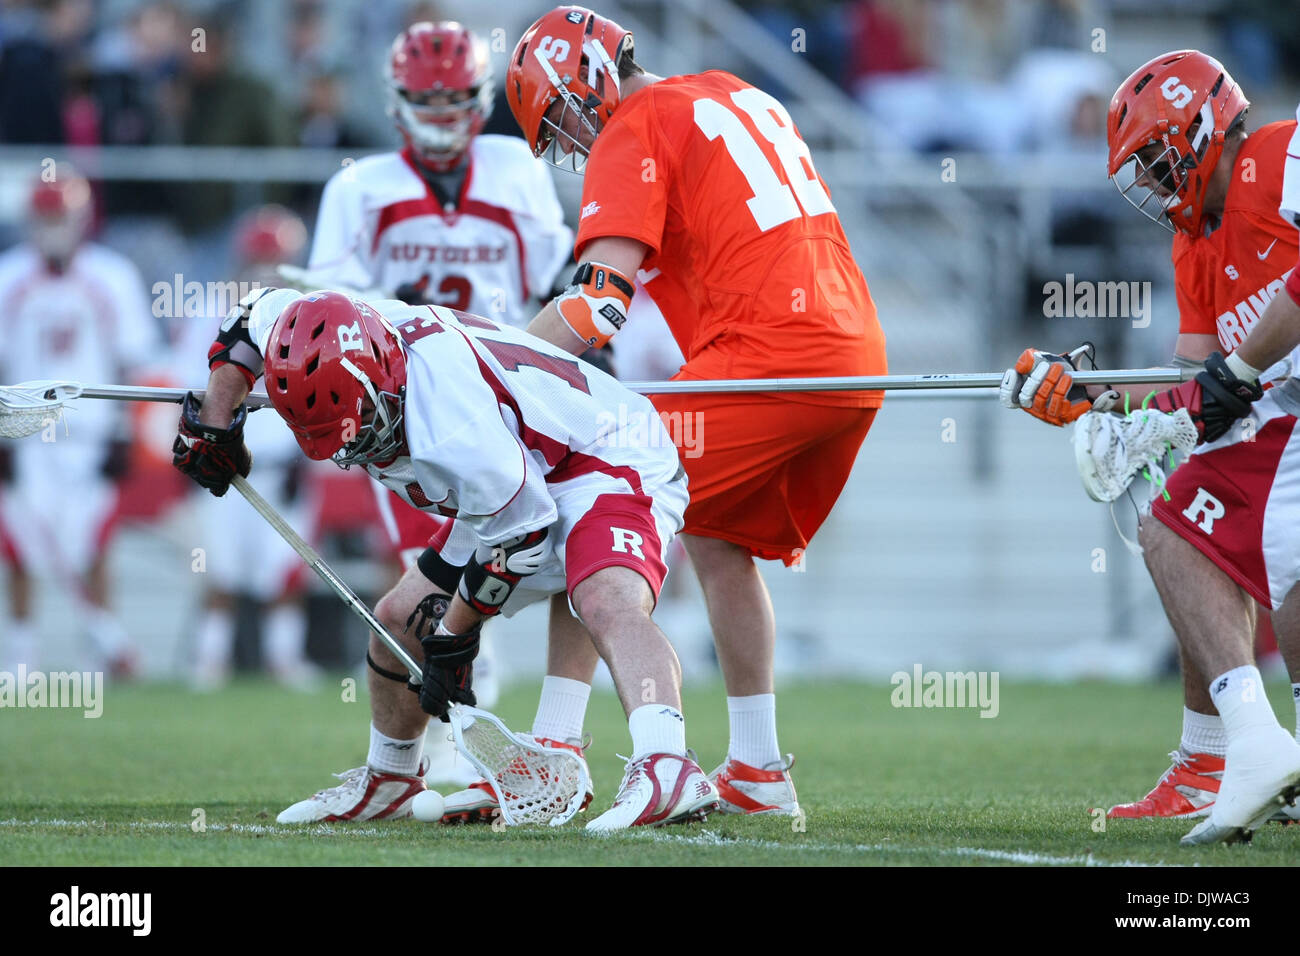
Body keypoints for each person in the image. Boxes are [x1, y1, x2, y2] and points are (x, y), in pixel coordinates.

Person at [503, 6, 888, 815]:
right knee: (717, 541)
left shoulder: (632, 126)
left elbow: (599, 306)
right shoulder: (733, 90)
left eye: (565, 115)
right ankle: (757, 768)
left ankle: (555, 749)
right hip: (853, 351)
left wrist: (494, 364)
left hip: (770, 351)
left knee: (593, 493)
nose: (573, 143)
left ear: (591, 79)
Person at [172, 287, 720, 831]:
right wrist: (216, 419)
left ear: (382, 378)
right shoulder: (323, 331)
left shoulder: (449, 424)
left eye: (360, 423)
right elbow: (251, 315)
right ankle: (391, 780)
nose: (353, 448)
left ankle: (666, 763)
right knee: (397, 620)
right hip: (525, 459)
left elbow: (522, 539)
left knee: (604, 596)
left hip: (605, 452)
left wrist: (454, 637)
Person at [999, 51, 1300, 840]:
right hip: (1285, 420)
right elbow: (1194, 385)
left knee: (1199, 526)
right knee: (1186, 515)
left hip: (1288, 414)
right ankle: (1234, 754)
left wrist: (1237, 370)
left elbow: (1230, 373)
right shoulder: (1195, 239)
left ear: (1207, 128)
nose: (1157, 184)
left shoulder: (1280, 156)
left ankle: (1249, 749)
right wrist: (1090, 397)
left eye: (1160, 159)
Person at [300, 21, 600, 801]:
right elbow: (333, 312)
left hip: (503, 402)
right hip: (404, 419)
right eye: (424, 103)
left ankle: (454, 752)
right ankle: (448, 752)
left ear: (478, 101)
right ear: (397, 104)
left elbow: (550, 287)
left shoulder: (514, 171)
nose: (440, 118)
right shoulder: (359, 187)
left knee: (485, 566)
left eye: (455, 101)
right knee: (429, 580)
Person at [0, 169, 159, 675]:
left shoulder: (111, 276)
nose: (53, 228)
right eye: (45, 218)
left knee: (92, 544)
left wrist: (122, 430)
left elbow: (131, 361)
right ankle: (22, 656)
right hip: (26, 433)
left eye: (60, 217)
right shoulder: (9, 276)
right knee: (23, 545)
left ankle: (99, 657)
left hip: (89, 434)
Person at [183, 205, 321, 690]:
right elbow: (190, 385)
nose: (264, 271)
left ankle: (284, 659)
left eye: (273, 260)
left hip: (281, 459)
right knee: (219, 564)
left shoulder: (312, 314)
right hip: (225, 448)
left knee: (285, 566)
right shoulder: (211, 309)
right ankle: (210, 660)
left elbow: (324, 395)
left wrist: (310, 456)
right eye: (258, 259)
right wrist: (202, 439)